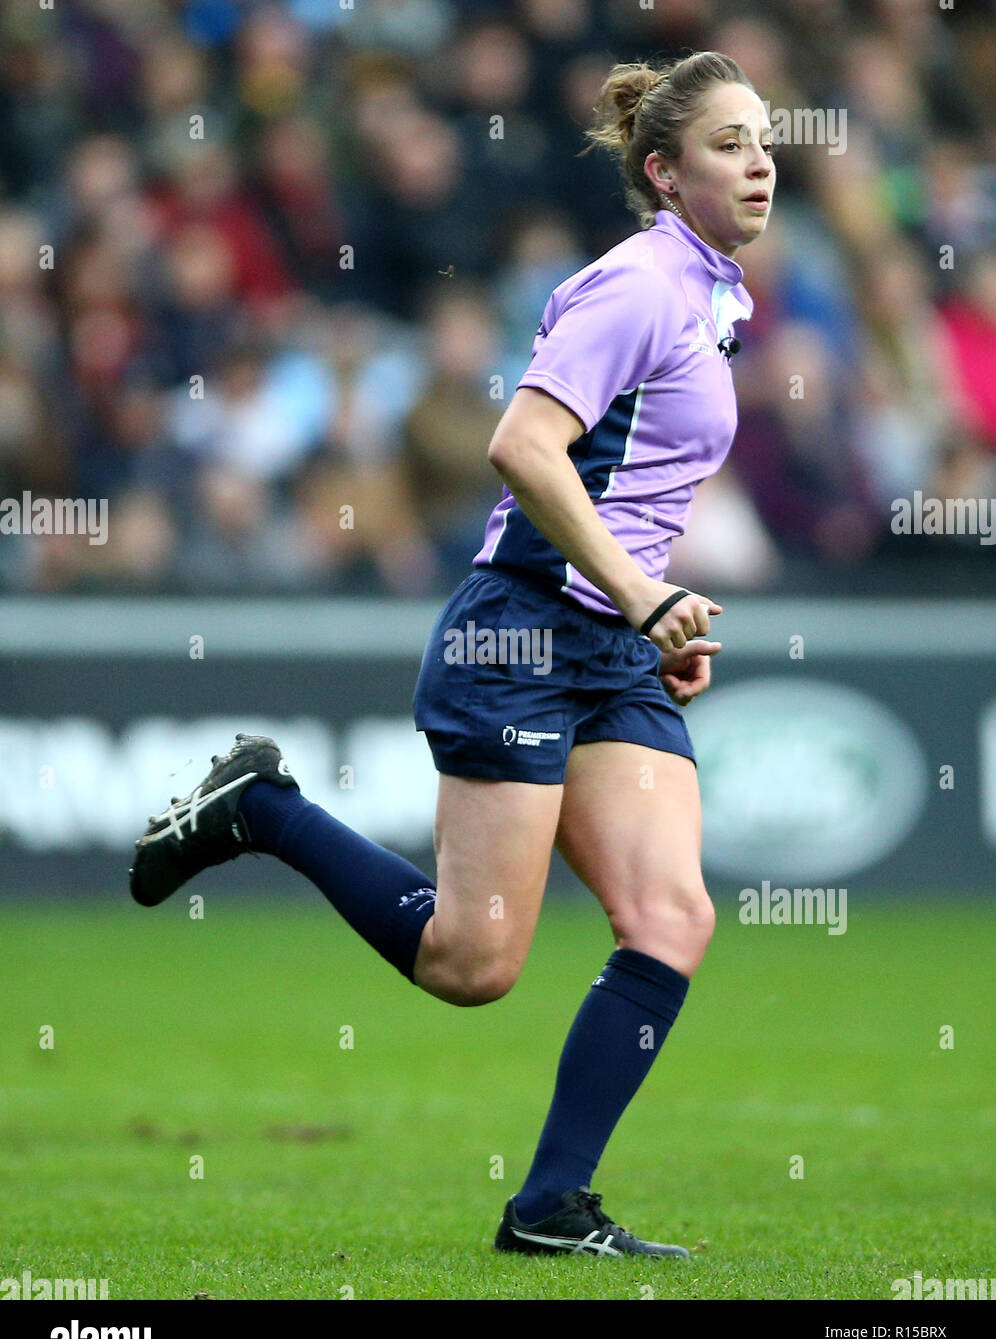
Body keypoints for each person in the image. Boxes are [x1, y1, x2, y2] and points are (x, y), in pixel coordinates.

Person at [130, 50, 775, 1259]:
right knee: (473, 963)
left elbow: (627, 474)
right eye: (730, 143)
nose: (759, 162)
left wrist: (657, 618)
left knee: (671, 914)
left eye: (765, 139)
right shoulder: (637, 286)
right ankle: (262, 810)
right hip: (525, 630)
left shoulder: (712, 294)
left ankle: (548, 1207)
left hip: (614, 641)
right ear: (663, 172)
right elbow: (523, 446)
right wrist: (640, 592)